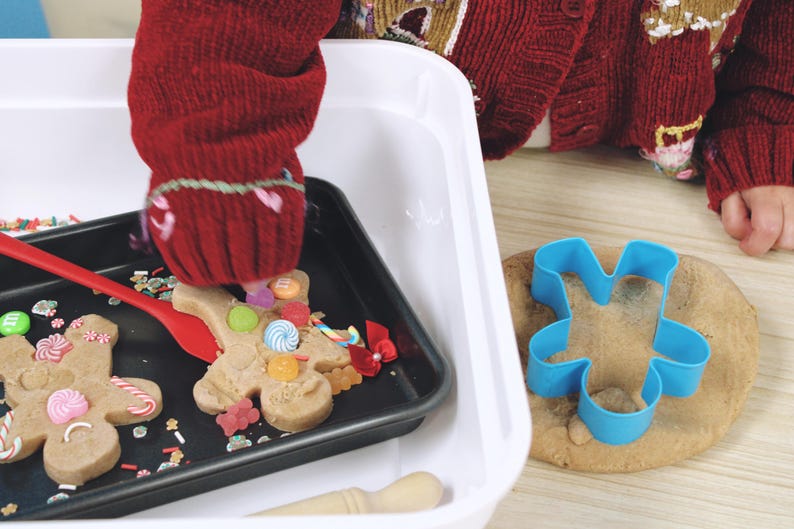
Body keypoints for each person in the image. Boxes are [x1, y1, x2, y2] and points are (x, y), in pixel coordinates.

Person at [127, 0, 794, 291]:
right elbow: (227, 20)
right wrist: (222, 158)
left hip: (632, 161)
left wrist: (768, 115)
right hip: (374, 148)